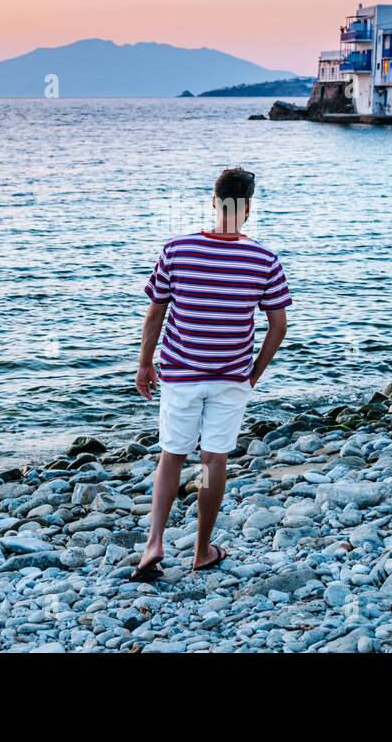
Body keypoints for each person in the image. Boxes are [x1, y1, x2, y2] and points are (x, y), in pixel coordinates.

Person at [130, 167, 291, 580]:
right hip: (230, 377)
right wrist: (254, 371)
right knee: (212, 459)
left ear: (215, 202)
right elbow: (278, 325)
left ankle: (154, 544)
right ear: (249, 208)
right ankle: (201, 550)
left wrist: (145, 362)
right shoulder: (264, 259)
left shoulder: (176, 250)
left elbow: (156, 313)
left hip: (181, 374)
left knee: (171, 455)